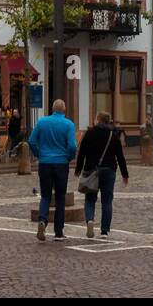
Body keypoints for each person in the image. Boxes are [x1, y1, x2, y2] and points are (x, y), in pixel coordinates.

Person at [28, 98, 77, 241]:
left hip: (44, 162)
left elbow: (31, 141)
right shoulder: (69, 124)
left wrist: (39, 153)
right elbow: (73, 146)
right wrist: (69, 157)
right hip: (61, 163)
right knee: (60, 198)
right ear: (64, 110)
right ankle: (58, 231)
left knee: (45, 196)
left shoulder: (42, 122)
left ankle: (42, 220)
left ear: (52, 109)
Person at [75, 111, 129, 239]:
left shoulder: (90, 133)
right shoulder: (113, 135)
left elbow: (82, 152)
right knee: (107, 200)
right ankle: (104, 231)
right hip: (109, 170)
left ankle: (90, 220)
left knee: (90, 198)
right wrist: (125, 174)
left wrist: (78, 169)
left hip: (92, 170)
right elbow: (120, 156)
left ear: (98, 120)